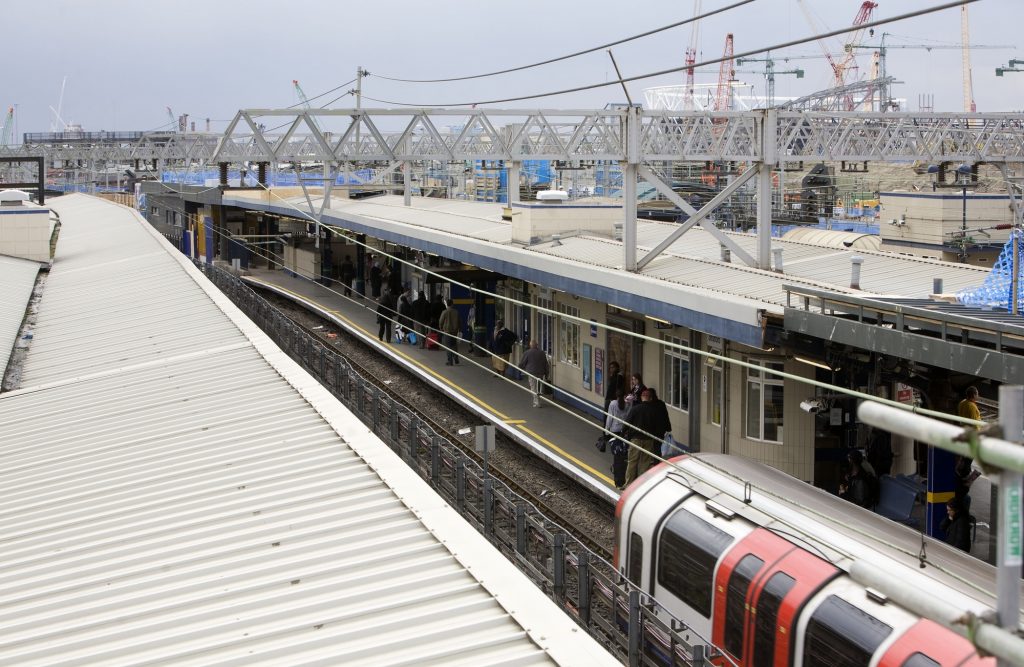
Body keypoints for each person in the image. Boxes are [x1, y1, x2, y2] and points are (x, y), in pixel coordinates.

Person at [623, 388, 672, 485]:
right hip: (649, 439)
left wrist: (623, 433)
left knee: (632, 462)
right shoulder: (654, 411)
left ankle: (628, 484)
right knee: (644, 463)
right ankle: (640, 484)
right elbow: (658, 425)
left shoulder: (635, 409)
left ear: (642, 398)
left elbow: (627, 423)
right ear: (650, 398)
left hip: (636, 439)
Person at [606, 387, 630, 489]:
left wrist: (607, 429)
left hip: (614, 430)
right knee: (624, 453)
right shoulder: (628, 404)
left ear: (616, 395)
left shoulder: (612, 404)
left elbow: (610, 417)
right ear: (624, 395)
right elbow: (629, 416)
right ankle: (624, 476)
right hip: (624, 431)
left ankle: (617, 473)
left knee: (617, 453)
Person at [518, 340, 550, 408]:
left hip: (532, 372)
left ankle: (537, 402)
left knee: (533, 387)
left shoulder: (527, 352)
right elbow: (546, 364)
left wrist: (520, 368)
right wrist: (547, 374)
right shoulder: (542, 353)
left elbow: (522, 363)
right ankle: (538, 400)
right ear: (537, 345)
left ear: (530, 345)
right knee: (538, 388)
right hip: (541, 372)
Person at [439, 299, 461, 366]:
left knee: (448, 346)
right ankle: (456, 358)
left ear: (447, 304)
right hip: (454, 331)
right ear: (452, 304)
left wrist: (441, 328)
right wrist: (459, 329)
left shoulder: (444, 312)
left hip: (447, 331)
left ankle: (450, 361)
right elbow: (459, 321)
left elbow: (441, 321)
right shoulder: (456, 312)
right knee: (454, 345)